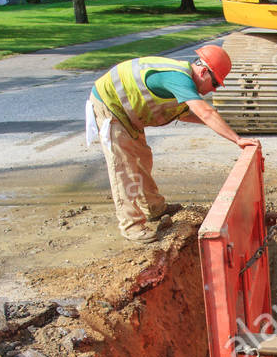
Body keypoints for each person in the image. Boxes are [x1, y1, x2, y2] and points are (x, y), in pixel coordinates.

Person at [86, 44, 249, 243]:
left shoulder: (183, 81)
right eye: (214, 84)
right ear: (204, 71)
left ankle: (154, 208)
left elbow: (190, 114)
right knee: (124, 165)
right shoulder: (179, 78)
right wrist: (237, 139)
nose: (212, 90)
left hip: (128, 113)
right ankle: (131, 226)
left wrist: (221, 124)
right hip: (111, 106)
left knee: (142, 158)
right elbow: (205, 112)